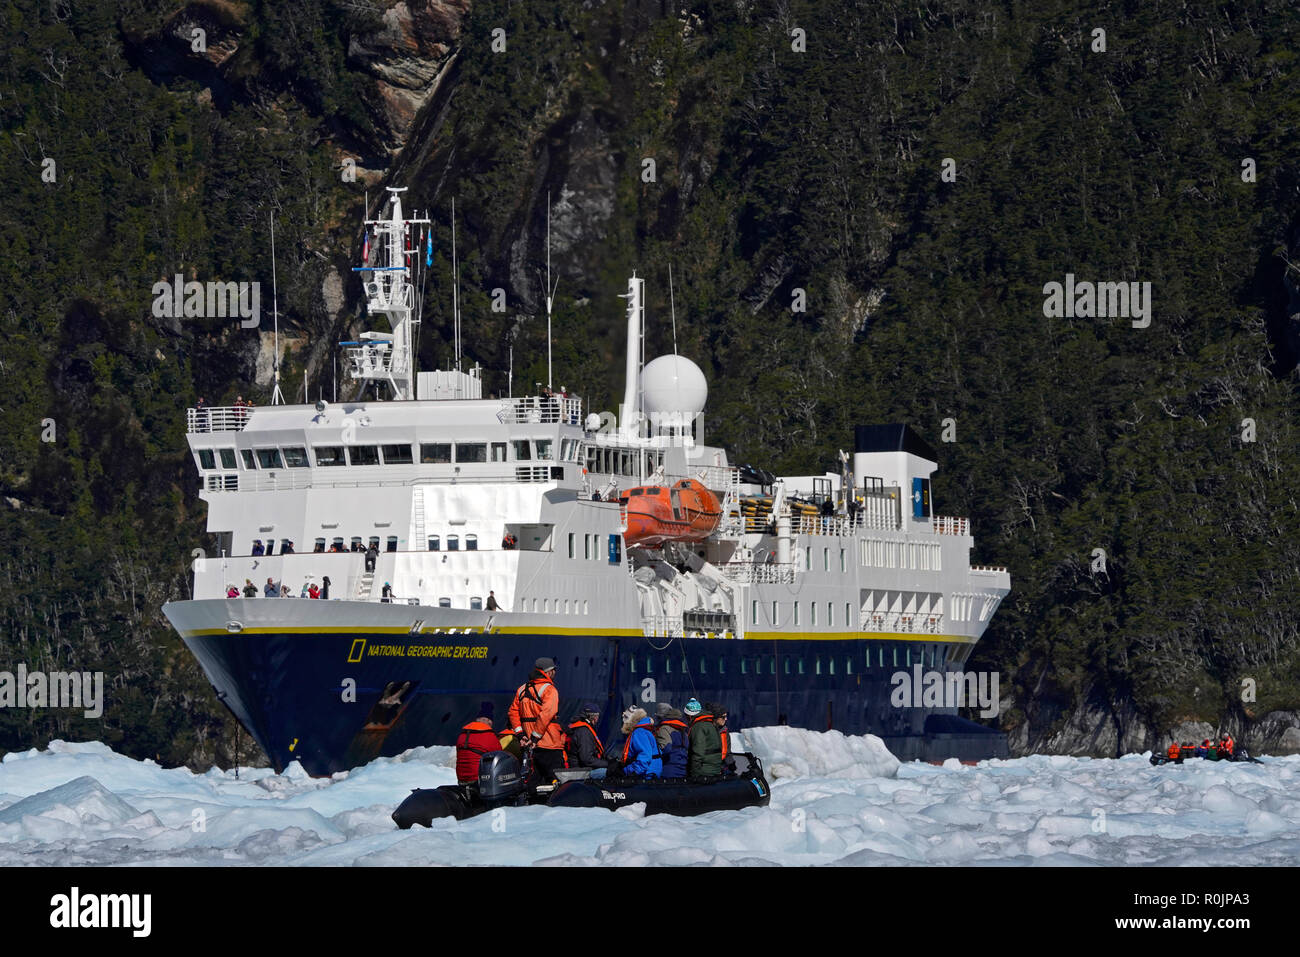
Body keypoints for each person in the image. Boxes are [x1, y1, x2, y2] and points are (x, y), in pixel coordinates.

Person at [507, 658, 566, 783]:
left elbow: (513, 713)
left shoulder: (522, 689)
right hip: (549, 744)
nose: (555, 673)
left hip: (529, 745)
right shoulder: (549, 690)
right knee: (555, 779)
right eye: (554, 670)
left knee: (534, 779)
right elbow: (546, 715)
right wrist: (535, 738)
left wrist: (521, 735)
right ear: (549, 672)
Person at [455, 703, 502, 785]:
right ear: (489, 722)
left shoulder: (462, 735)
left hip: (461, 780)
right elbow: (500, 757)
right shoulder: (490, 736)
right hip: (479, 782)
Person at [566, 703, 611, 777]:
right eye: (596, 716)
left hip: (578, 768)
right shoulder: (583, 732)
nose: (597, 719)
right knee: (613, 772)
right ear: (592, 717)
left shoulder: (577, 727)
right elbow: (587, 759)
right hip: (581, 772)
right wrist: (608, 764)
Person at [619, 707, 662, 778]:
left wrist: (627, 771)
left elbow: (645, 756)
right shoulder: (644, 731)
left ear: (630, 720)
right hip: (651, 772)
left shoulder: (639, 733)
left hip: (646, 775)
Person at [686, 698, 723, 779]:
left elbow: (698, 751)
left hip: (704, 771)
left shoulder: (698, 727)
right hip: (715, 769)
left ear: (689, 716)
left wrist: (694, 773)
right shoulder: (711, 724)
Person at [655, 704, 688, 779]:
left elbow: (666, 749)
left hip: (668, 769)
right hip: (683, 768)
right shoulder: (684, 731)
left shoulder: (664, 728)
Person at [715, 705, 736, 775]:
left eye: (726, 717)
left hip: (723, 767)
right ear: (716, 718)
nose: (726, 719)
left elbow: (727, 752)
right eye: (723, 717)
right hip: (712, 768)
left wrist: (731, 764)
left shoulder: (725, 731)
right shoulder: (709, 731)